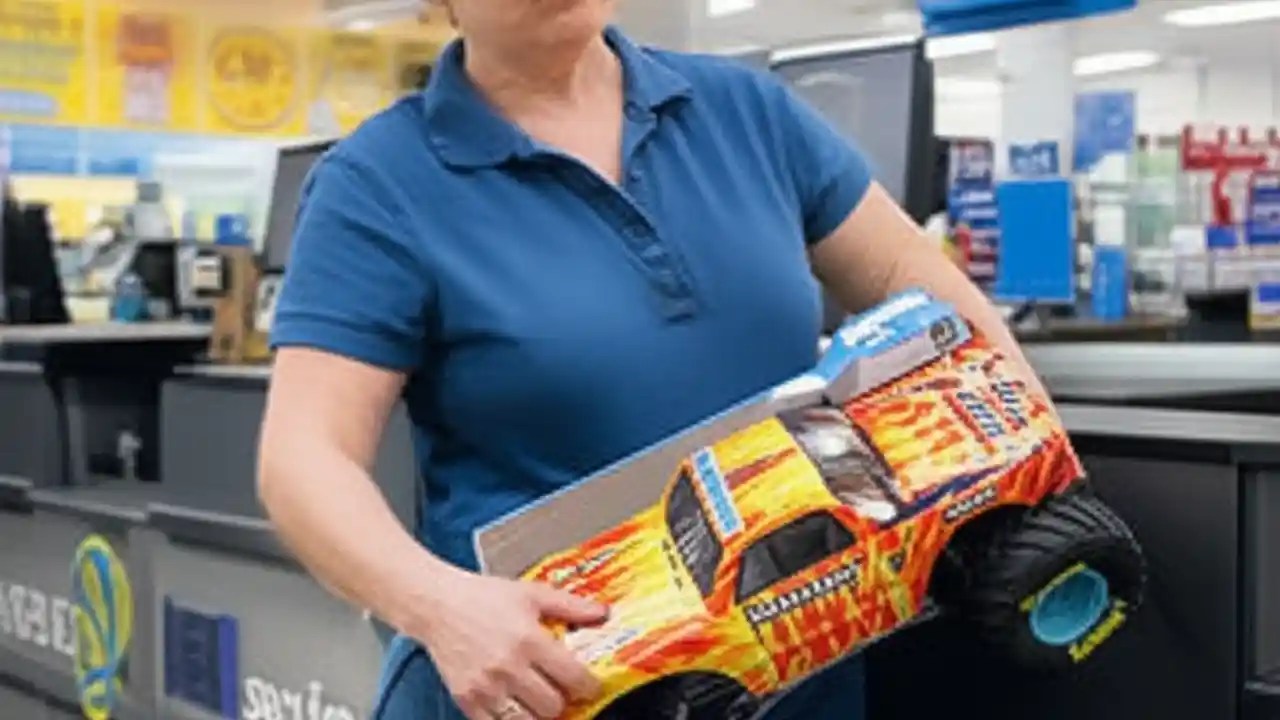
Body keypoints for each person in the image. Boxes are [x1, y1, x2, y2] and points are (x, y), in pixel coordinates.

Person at [257, 1, 1050, 719]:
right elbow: (303, 460)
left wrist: (1025, 453)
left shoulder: (747, 115)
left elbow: (927, 295)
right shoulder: (379, 184)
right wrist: (440, 608)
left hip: (794, 673)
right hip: (546, 687)